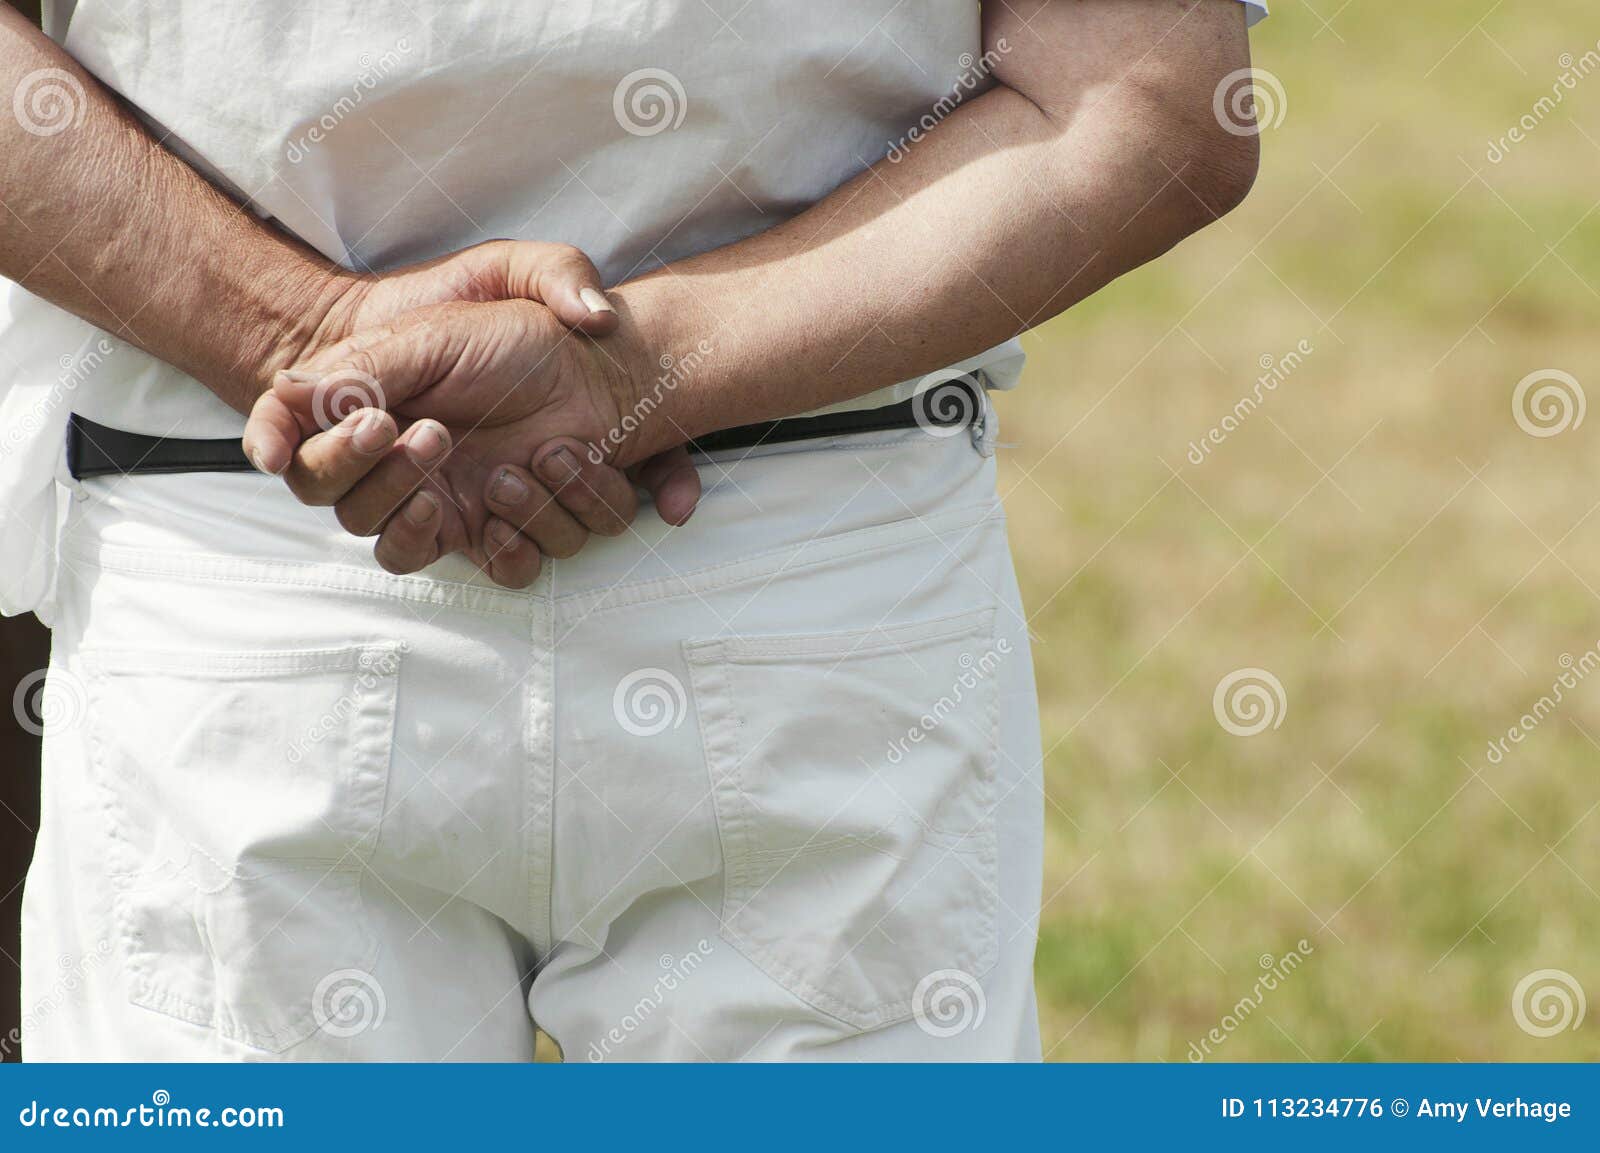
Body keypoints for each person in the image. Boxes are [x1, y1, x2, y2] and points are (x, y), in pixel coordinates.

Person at [0, 0, 1266, 1060]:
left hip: (246, 547)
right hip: (807, 560)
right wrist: (634, 370)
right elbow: (1139, 101)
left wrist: (314, 346)